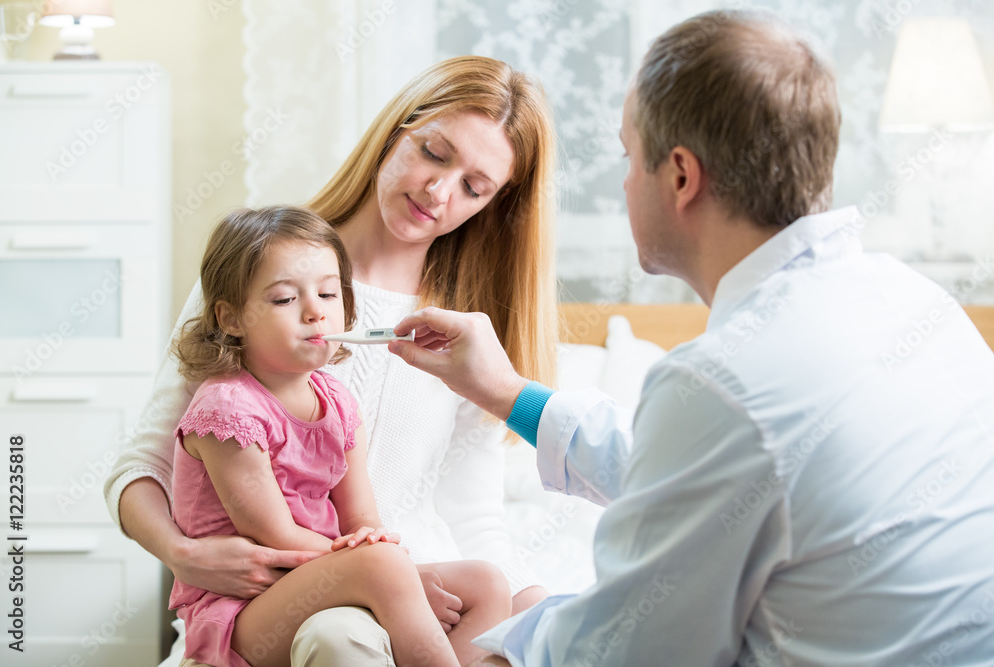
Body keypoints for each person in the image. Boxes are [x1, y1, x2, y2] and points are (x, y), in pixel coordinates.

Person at [388, 10, 994, 666]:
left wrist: (506, 639)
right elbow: (708, 471)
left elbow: (621, 648)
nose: (623, 183)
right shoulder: (919, 304)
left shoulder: (725, 382)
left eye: (628, 155)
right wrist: (509, 393)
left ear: (680, 175)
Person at [103, 55, 558, 666]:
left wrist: (533, 607)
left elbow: (473, 511)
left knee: (524, 611)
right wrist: (183, 555)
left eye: (474, 187)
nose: (437, 191)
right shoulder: (261, 273)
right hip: (286, 597)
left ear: (492, 205)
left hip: (418, 590)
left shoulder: (466, 324)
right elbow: (144, 463)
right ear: (397, 130)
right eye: (433, 152)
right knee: (338, 639)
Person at [168, 205, 511, 667]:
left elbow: (361, 518)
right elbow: (276, 535)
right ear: (231, 319)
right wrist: (391, 574)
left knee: (487, 582)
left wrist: (383, 567)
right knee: (384, 564)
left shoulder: (338, 401)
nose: (315, 312)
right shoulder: (227, 408)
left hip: (325, 575)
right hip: (242, 609)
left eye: (328, 295)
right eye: (286, 299)